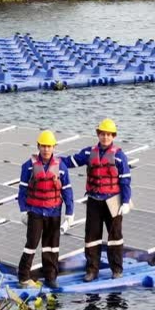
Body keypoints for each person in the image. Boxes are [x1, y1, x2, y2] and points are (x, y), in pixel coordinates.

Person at [63, 119, 132, 282]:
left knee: (115, 236)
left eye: (108, 134)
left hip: (113, 200)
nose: (105, 137)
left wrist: (126, 201)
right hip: (94, 200)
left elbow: (125, 180)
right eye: (102, 134)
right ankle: (92, 270)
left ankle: (116, 269)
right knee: (92, 236)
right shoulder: (89, 153)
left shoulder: (120, 156)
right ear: (98, 135)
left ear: (113, 136)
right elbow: (70, 161)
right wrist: (52, 160)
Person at [17, 130, 74, 288]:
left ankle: (51, 277)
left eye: (49, 146)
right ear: (38, 146)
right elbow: (22, 191)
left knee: (52, 247)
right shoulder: (28, 166)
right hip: (35, 212)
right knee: (31, 245)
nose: (46, 149)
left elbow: (67, 191)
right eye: (43, 146)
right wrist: (23, 210)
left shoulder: (61, 167)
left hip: (54, 212)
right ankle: (23, 277)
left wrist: (70, 213)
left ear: (54, 147)